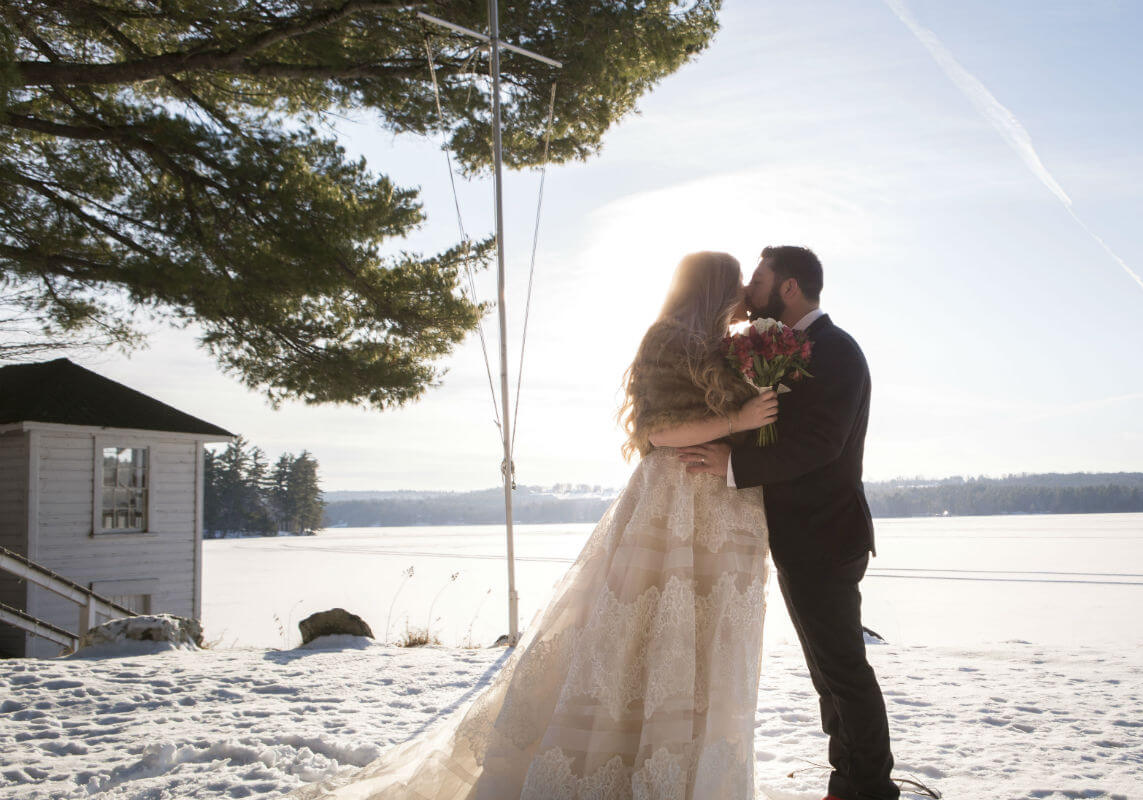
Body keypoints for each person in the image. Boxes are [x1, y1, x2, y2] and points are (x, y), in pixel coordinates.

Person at [289, 252, 779, 799]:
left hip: (725, 513)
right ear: (710, 287)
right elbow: (658, 430)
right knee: (643, 637)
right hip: (673, 509)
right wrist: (735, 420)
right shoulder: (667, 340)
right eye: (733, 279)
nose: (742, 289)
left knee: (707, 645)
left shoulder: (737, 349)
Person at [678, 245, 898, 800]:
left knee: (843, 671)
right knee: (829, 674)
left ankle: (869, 789)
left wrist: (736, 464)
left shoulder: (836, 351)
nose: (750, 289)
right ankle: (848, 780)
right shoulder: (796, 348)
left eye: (759, 278)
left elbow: (821, 444)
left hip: (828, 536)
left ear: (790, 288)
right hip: (802, 540)